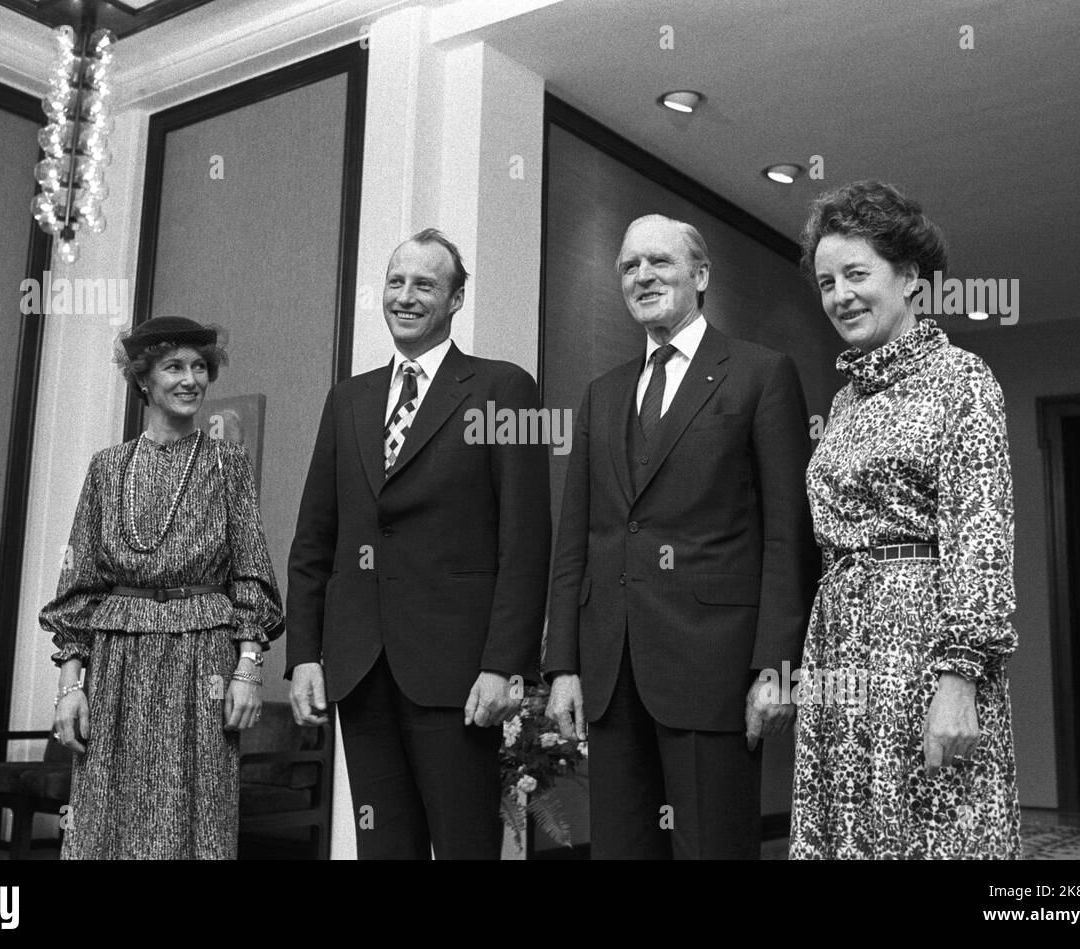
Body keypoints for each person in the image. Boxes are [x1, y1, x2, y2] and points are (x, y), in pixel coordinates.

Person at [544, 214, 816, 859]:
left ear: (700, 275)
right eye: (629, 266)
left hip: (714, 669)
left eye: (659, 262)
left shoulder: (760, 373)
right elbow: (576, 538)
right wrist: (562, 667)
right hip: (611, 671)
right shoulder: (602, 394)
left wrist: (776, 667)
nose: (643, 276)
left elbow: (787, 535)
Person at [285, 229, 551, 859]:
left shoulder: (508, 389)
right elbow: (314, 538)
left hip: (458, 672)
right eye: (396, 281)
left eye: (425, 284)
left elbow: (527, 540)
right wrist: (304, 655)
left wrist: (504, 662)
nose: (405, 296)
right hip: (359, 666)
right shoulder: (346, 398)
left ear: (457, 299)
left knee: (466, 846)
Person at [791, 180, 1021, 858]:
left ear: (911, 278)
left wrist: (959, 678)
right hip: (840, 652)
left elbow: (981, 534)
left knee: (934, 831)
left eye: (857, 273)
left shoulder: (963, 379)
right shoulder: (842, 405)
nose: (840, 295)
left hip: (923, 653)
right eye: (827, 280)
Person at [40, 316, 283, 859]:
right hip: (119, 659)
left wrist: (247, 669)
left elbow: (250, 571)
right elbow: (79, 587)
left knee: (199, 809)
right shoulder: (107, 468)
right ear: (144, 379)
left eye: (200, 367)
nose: (190, 379)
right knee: (106, 805)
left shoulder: (228, 466)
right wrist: (70, 686)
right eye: (174, 367)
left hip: (204, 660)